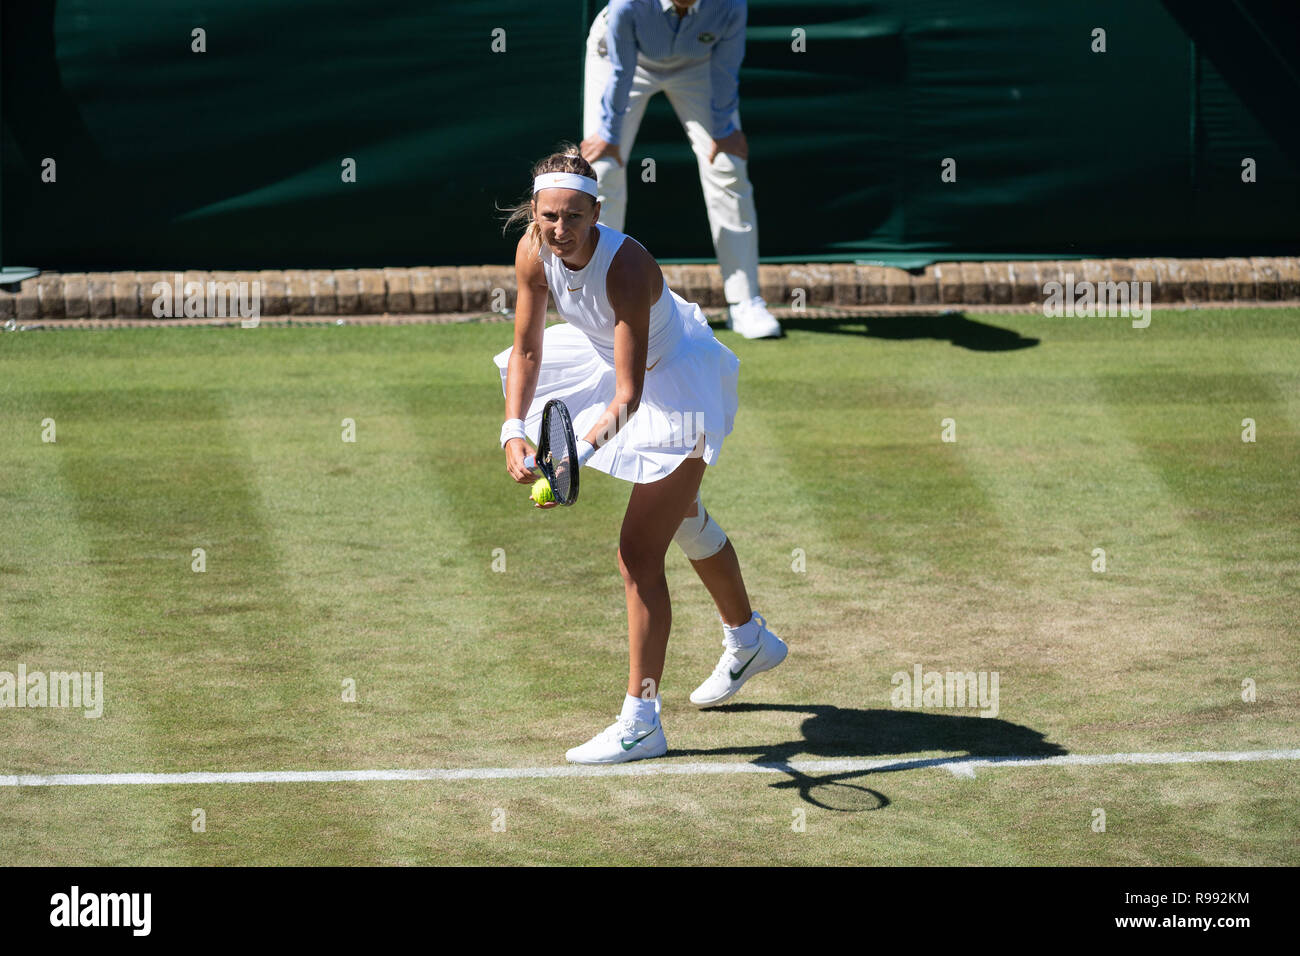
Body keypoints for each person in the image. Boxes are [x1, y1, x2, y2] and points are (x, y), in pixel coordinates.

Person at [495, 146, 788, 764]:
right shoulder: (533, 251)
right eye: (548, 215)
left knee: (637, 553)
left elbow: (629, 397)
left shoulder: (624, 267)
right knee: (681, 516)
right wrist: (513, 429)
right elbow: (525, 349)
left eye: (574, 216)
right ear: (534, 212)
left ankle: (642, 721)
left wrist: (569, 453)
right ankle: (749, 638)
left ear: (596, 212)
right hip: (608, 367)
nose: (559, 229)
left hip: (673, 387)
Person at [580, 0, 782, 339]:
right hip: (621, 61)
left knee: (728, 164)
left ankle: (744, 302)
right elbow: (620, 71)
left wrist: (721, 130)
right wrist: (610, 137)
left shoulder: (731, 5)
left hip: (698, 66)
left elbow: (726, 68)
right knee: (603, 166)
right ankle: (597, 303)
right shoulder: (627, 6)